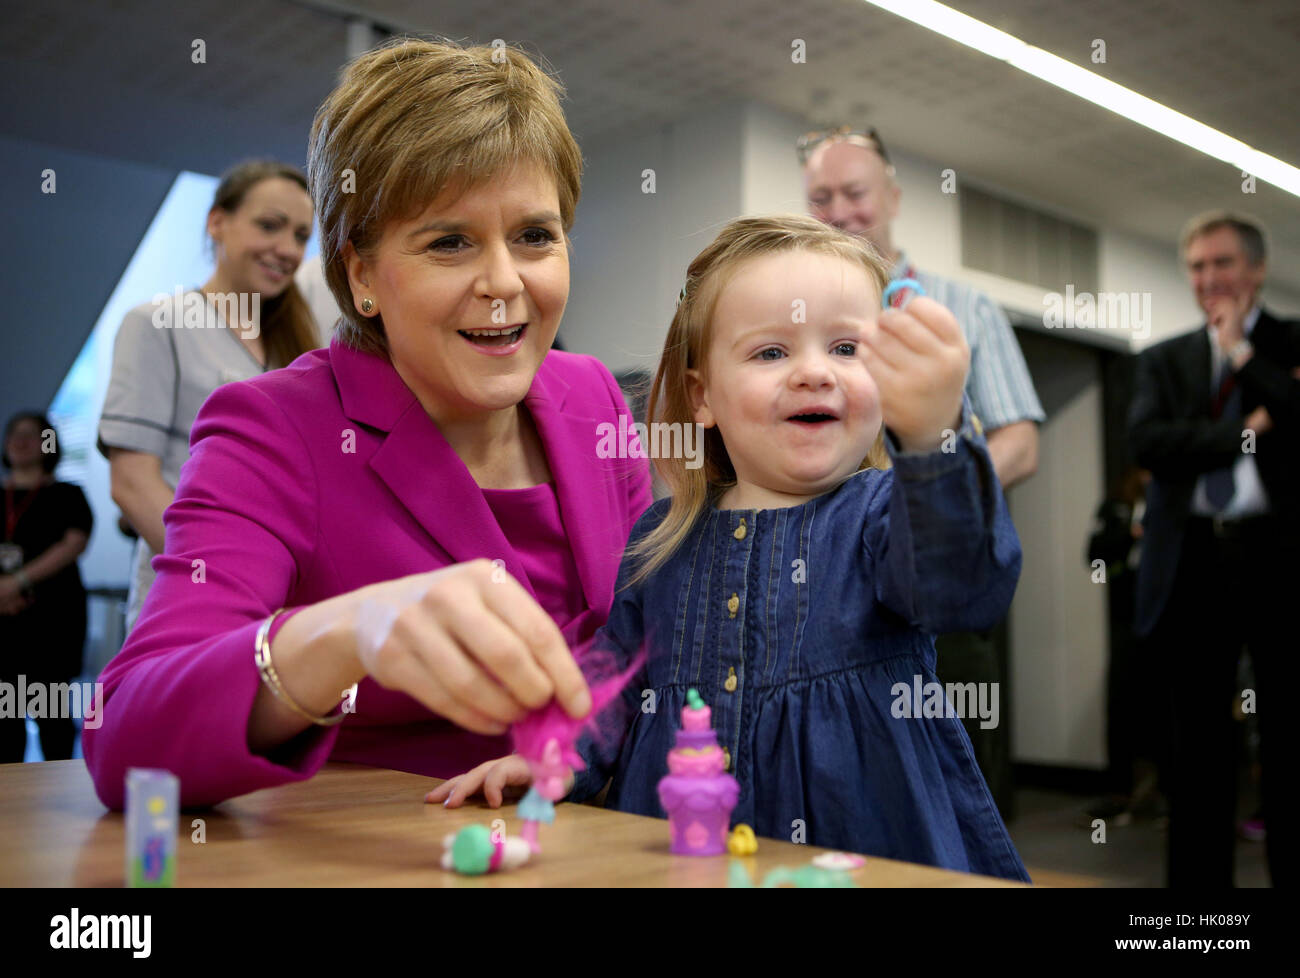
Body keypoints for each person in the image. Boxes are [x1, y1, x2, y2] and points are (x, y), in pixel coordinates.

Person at [82, 38, 653, 811]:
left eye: (534, 236)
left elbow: (645, 650)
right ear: (359, 274)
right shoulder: (275, 429)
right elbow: (126, 740)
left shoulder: (593, 399)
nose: (503, 283)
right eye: (449, 242)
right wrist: (341, 633)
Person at [434, 215, 1029, 880]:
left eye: (845, 349)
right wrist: (550, 758)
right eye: (770, 353)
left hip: (864, 851)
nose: (813, 373)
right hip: (683, 854)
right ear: (703, 396)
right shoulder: (661, 541)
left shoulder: (885, 518)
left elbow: (962, 587)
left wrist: (934, 438)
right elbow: (611, 684)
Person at [801, 127, 1046, 816]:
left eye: (855, 192)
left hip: (940, 598)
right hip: (827, 591)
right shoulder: (802, 315)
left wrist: (924, 498)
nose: (839, 211)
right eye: (821, 196)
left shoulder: (964, 309)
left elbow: (1021, 444)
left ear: (893, 197)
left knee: (954, 797)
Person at [1128, 211, 1299, 886]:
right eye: (1197, 266)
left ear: (1256, 269)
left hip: (1278, 559)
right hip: (1194, 562)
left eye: (1222, 263)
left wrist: (1242, 358)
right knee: (1198, 747)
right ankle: (1200, 916)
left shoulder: (1289, 341)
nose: (1209, 279)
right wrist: (1242, 433)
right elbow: (1148, 445)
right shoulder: (1163, 360)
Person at [98, 160, 322, 632]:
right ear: (217, 222)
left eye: (301, 236)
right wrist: (215, 573)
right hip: (193, 594)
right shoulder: (158, 324)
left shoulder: (300, 347)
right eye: (269, 226)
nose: (287, 249)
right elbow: (132, 483)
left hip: (281, 600)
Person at [0, 413, 93, 762]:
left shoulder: (68, 495)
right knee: (4, 719)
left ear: (48, 444)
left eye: (31, 435)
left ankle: (56, 805)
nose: (20, 441)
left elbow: (73, 543)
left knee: (52, 715)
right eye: (13, 434)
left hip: (51, 623)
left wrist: (17, 582)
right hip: (4, 625)